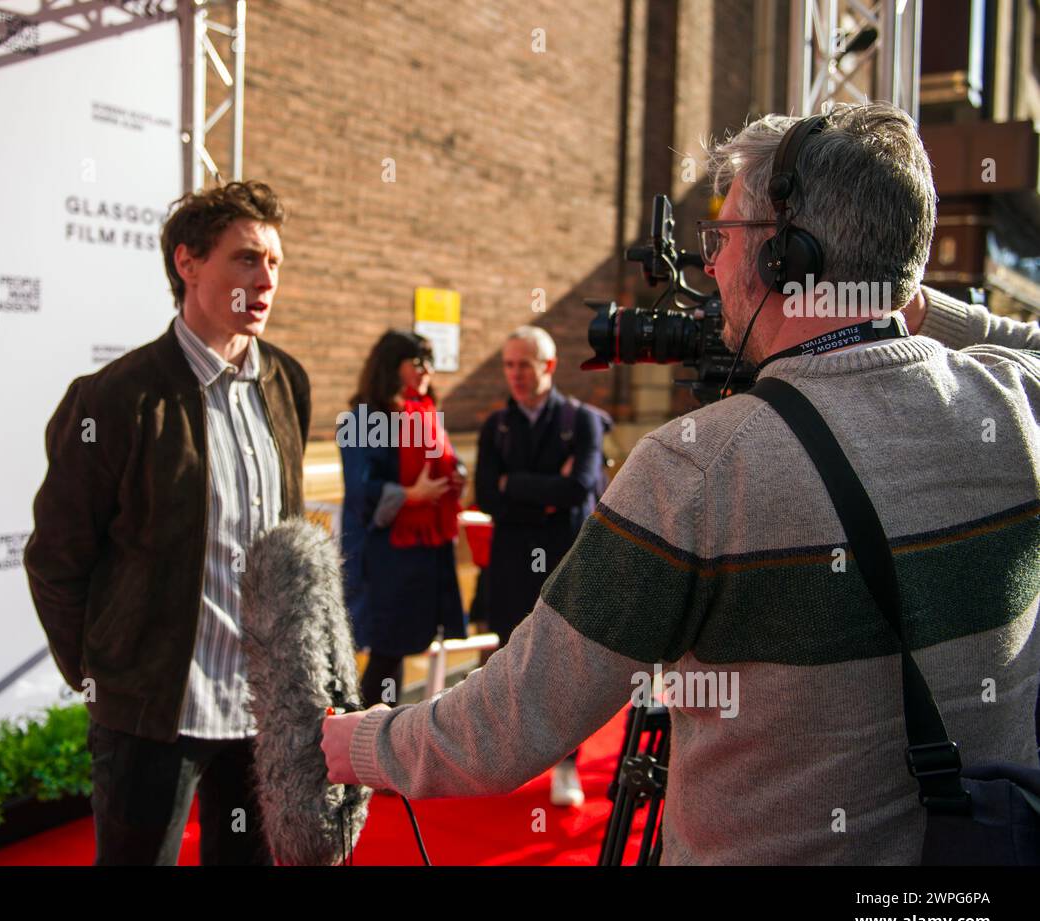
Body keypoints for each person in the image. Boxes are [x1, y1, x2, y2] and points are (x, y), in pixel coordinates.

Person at [322, 103, 1040, 864]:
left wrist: (355, 742)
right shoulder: (1016, 402)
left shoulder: (694, 467)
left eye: (722, 239)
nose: (712, 266)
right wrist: (900, 295)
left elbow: (507, 727)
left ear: (784, 259)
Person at [24, 181, 310, 865]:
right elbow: (56, 559)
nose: (266, 279)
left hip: (260, 711)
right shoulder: (115, 398)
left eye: (274, 262)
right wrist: (105, 673)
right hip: (150, 715)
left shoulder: (287, 382)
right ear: (187, 263)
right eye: (245, 259)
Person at [474, 325, 608, 806]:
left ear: (547, 366)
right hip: (511, 560)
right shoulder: (496, 427)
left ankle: (566, 764)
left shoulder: (582, 421)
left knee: (566, 662)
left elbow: (580, 488)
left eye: (523, 365)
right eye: (508, 364)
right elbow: (486, 495)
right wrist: (544, 490)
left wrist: (517, 486)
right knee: (506, 656)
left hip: (565, 557)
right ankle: (497, 754)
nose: (515, 374)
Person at [345, 331, 467, 709]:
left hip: (424, 552)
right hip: (386, 555)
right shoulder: (364, 418)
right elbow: (360, 490)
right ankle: (366, 740)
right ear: (391, 366)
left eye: (429, 361)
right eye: (417, 362)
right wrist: (411, 495)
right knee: (386, 652)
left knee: (398, 650)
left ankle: (386, 737)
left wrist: (457, 471)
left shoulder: (424, 411)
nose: (427, 370)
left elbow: (446, 457)